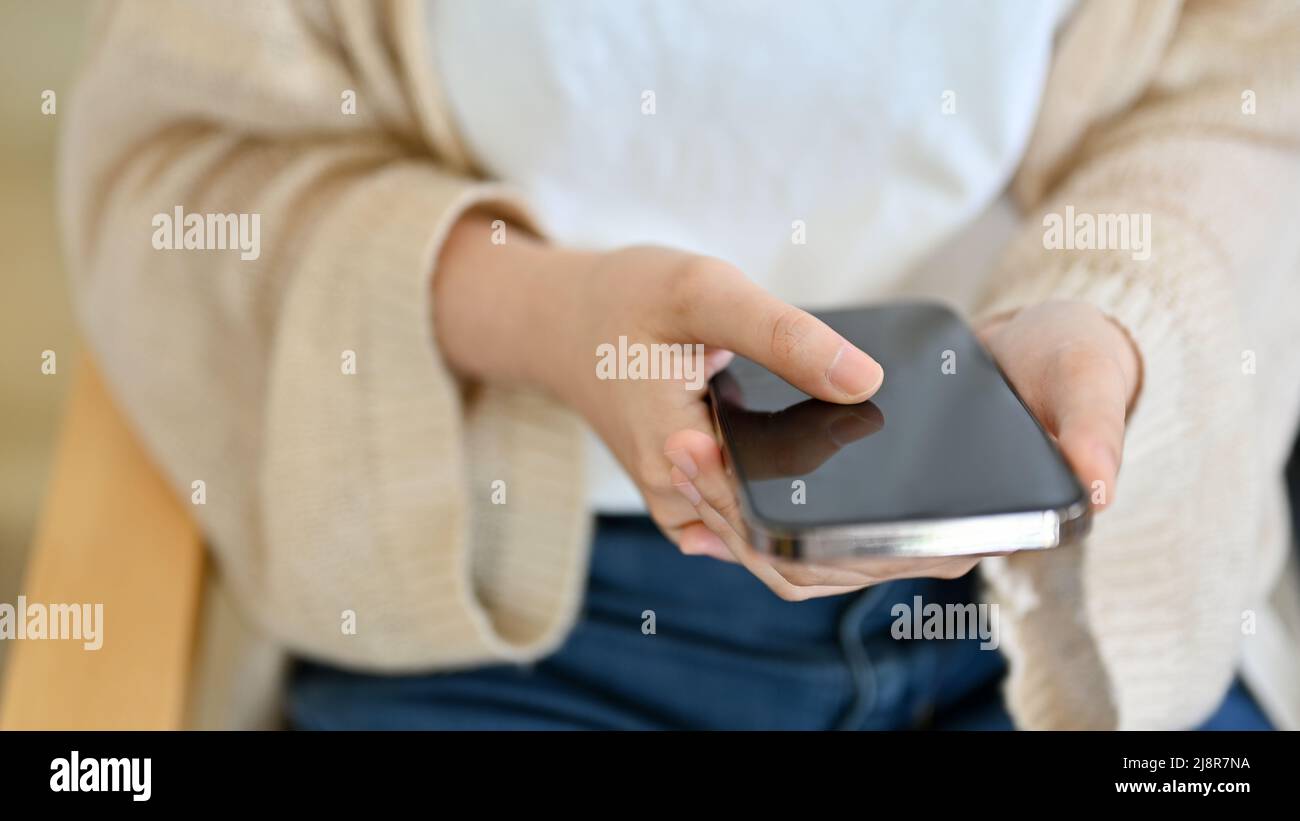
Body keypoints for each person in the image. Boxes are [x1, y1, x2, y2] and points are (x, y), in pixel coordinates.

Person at [60, 0, 1300, 729]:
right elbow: (181, 173)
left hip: (1051, 617)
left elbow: (1251, 96)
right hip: (499, 619)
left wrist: (1110, 311)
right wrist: (546, 314)